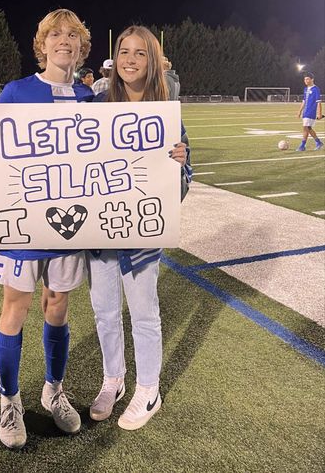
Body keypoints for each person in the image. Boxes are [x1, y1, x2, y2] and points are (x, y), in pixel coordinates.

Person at [0, 9, 93, 449]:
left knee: (57, 306)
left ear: (81, 46)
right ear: (42, 44)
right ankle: (9, 399)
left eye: (71, 35)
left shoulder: (88, 98)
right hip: (25, 222)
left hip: (70, 224)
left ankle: (53, 390)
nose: (63, 41)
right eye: (55, 34)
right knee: (15, 308)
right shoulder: (17, 91)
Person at [87, 25, 191, 431]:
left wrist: (179, 164)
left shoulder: (165, 111)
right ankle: (113, 378)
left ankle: (148, 388)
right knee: (104, 312)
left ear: (153, 60)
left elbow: (184, 182)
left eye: (139, 53)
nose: (129, 59)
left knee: (144, 313)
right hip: (98, 229)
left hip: (141, 234)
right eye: (123, 51)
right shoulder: (95, 103)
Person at [296, 72, 323, 151]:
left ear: (312, 79)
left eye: (307, 79)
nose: (306, 81)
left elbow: (318, 102)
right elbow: (304, 101)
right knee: (308, 128)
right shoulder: (305, 89)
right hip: (305, 112)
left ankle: (302, 145)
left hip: (311, 112)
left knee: (305, 127)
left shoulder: (316, 89)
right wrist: (299, 111)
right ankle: (318, 142)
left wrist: (319, 113)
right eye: (304, 79)